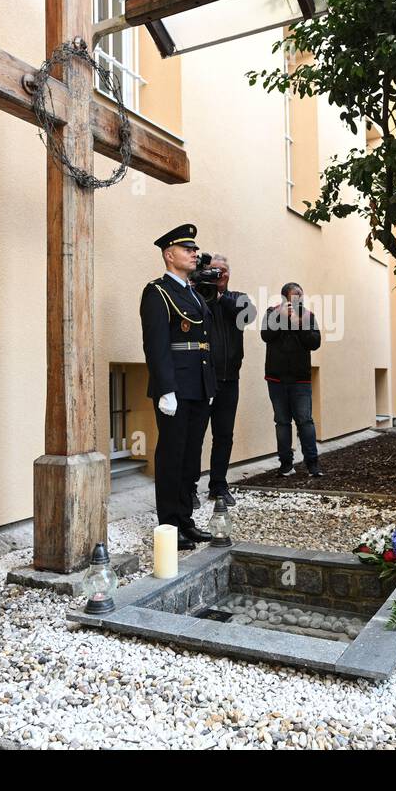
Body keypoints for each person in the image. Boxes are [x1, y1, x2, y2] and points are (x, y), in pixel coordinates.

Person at [139, 224, 217, 549]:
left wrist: (208, 384)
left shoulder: (194, 294)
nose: (195, 254)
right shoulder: (156, 292)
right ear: (170, 255)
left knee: (191, 456)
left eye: (195, 249)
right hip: (175, 388)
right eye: (188, 249)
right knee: (172, 456)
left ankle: (186, 519)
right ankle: (169, 527)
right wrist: (165, 388)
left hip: (198, 386)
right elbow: (156, 345)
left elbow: (203, 341)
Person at [194, 254, 253, 507]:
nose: (217, 275)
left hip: (230, 379)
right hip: (202, 379)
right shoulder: (196, 295)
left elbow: (248, 316)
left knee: (224, 435)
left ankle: (218, 485)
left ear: (227, 274)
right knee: (195, 435)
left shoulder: (237, 298)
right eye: (212, 271)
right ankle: (188, 488)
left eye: (220, 271)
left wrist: (220, 297)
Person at [261, 283, 323, 477]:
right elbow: (266, 336)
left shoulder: (307, 316)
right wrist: (281, 317)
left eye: (301, 296)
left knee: (305, 421)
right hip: (276, 378)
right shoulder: (271, 313)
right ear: (284, 298)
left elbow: (315, 342)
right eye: (295, 297)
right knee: (282, 422)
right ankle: (286, 464)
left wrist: (298, 322)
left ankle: (312, 464)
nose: (299, 300)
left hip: (300, 379)